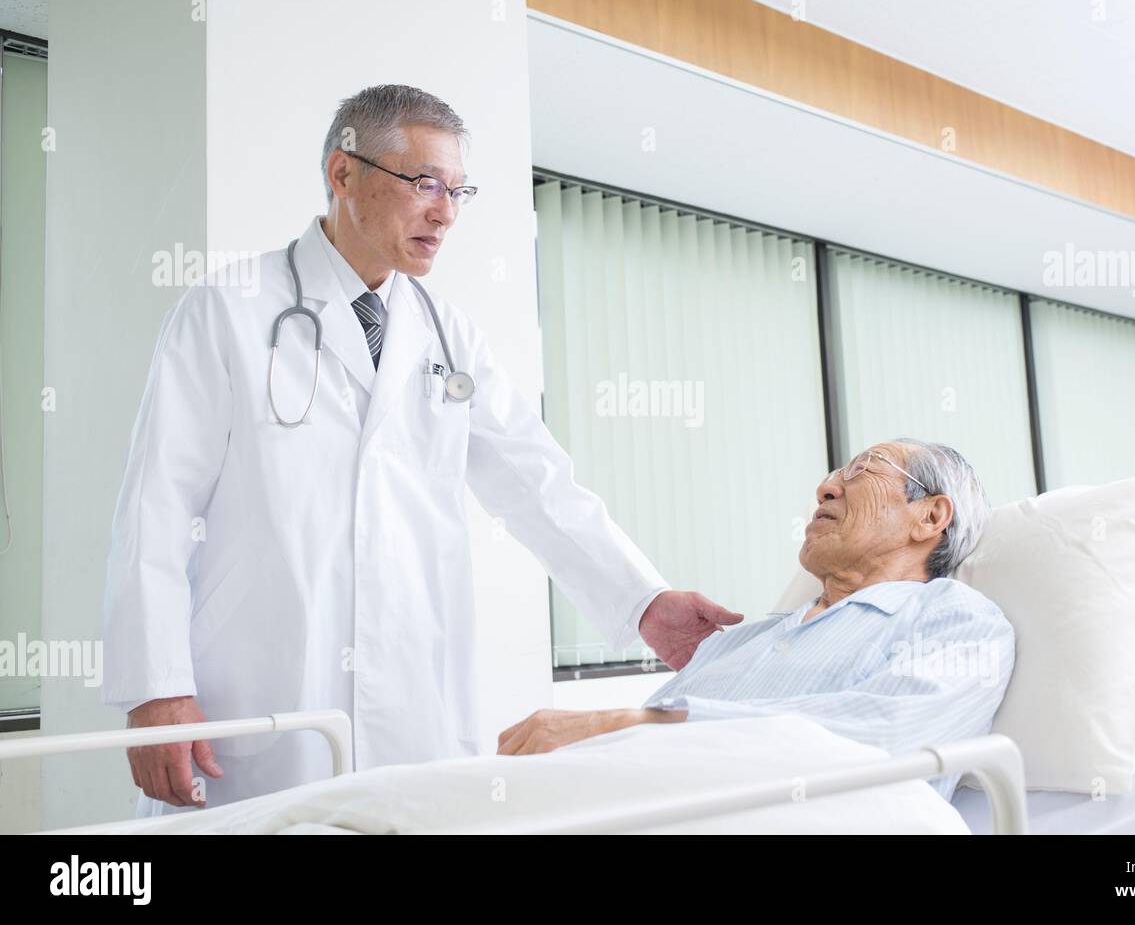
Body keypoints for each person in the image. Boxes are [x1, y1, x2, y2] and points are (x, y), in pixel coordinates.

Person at [101, 84, 740, 817]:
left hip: (410, 708)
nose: (446, 211)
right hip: (259, 706)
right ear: (344, 173)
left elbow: (538, 483)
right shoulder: (227, 310)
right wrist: (156, 687)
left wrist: (644, 599)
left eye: (460, 190)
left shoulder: (445, 334)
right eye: (425, 184)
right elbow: (156, 508)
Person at [497, 438, 1014, 802]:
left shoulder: (956, 617)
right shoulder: (736, 642)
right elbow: (628, 760)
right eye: (835, 474)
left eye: (864, 469)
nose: (826, 488)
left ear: (930, 516)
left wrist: (643, 723)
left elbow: (889, 737)